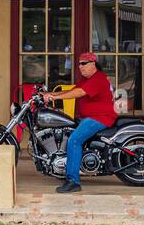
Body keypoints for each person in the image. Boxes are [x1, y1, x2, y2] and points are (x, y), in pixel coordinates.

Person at [43, 52, 116, 193]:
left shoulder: (98, 78)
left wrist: (54, 98)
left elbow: (78, 93)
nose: (80, 66)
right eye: (79, 64)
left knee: (74, 141)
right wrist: (47, 95)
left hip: (100, 117)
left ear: (93, 64)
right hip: (89, 117)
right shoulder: (87, 79)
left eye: (84, 63)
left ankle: (73, 181)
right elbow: (73, 91)